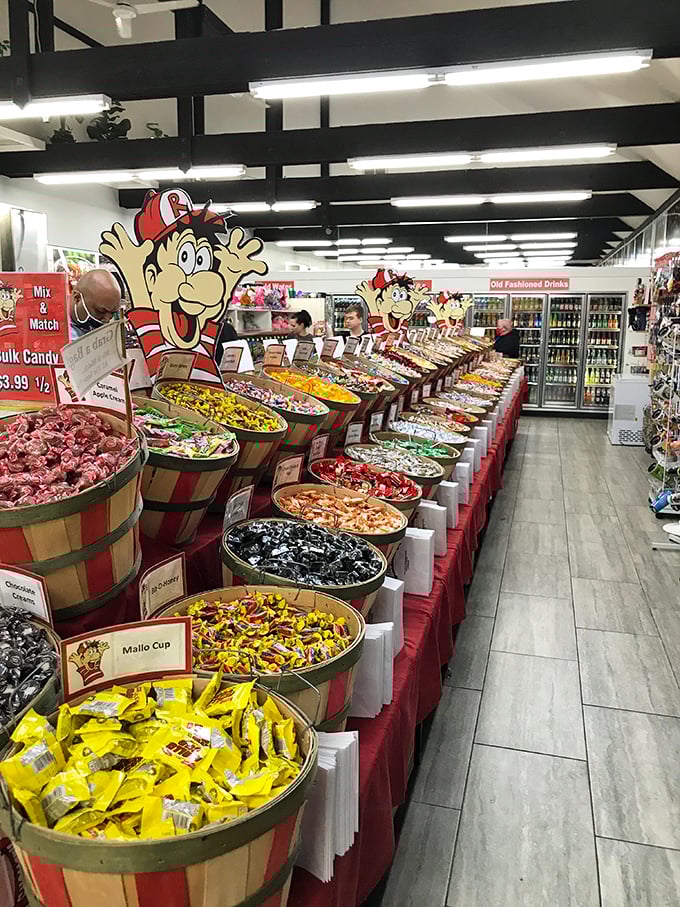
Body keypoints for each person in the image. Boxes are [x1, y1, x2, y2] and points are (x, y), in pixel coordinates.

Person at [69, 269, 122, 339]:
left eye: (113, 313)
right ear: (77, 298)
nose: (107, 320)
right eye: (100, 311)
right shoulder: (55, 324)